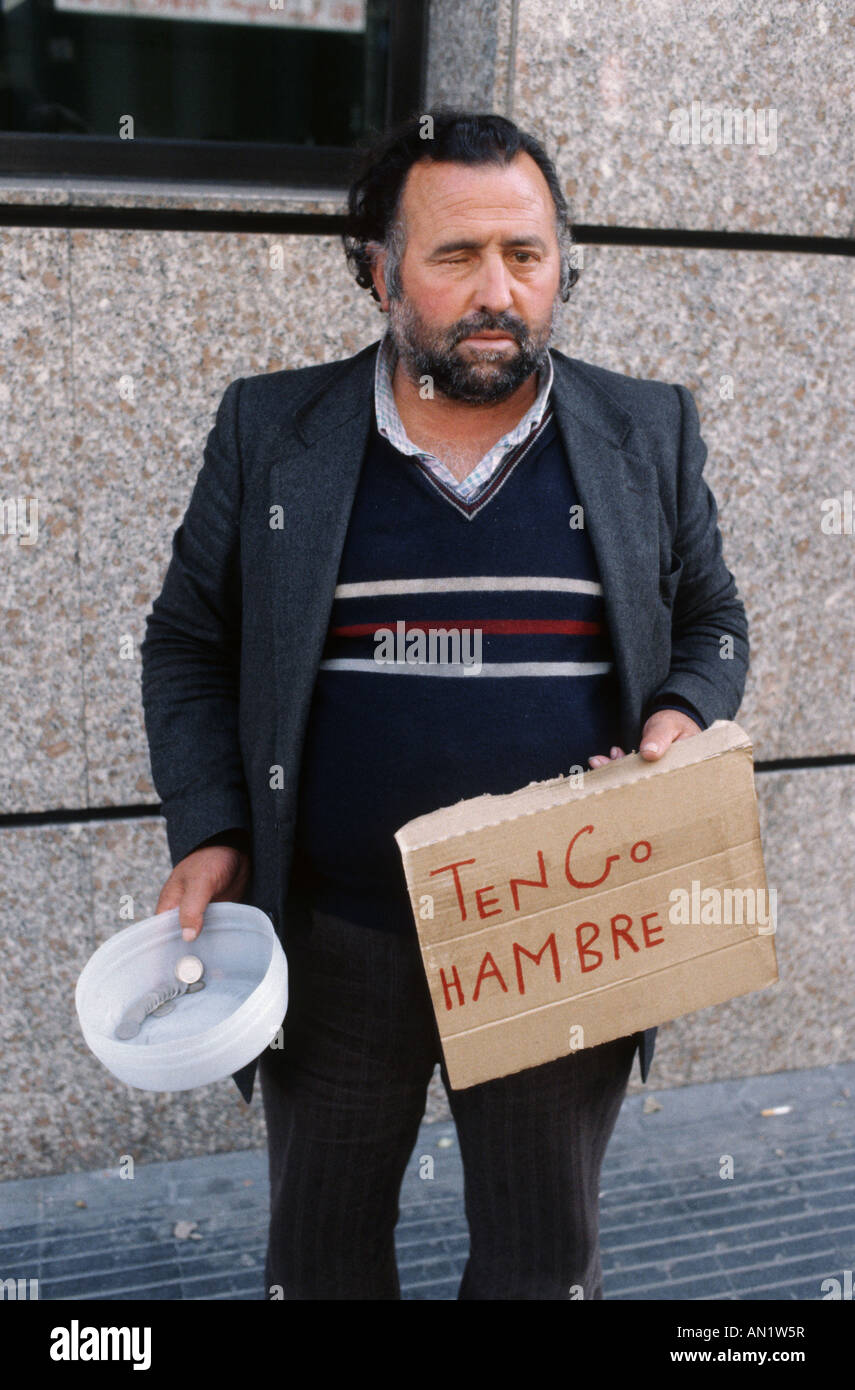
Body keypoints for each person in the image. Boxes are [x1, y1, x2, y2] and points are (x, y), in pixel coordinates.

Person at [141, 109, 749, 1300]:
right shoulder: (274, 431)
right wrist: (211, 831)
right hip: (334, 939)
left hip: (560, 933)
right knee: (319, 1264)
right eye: (455, 255)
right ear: (378, 270)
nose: (498, 292)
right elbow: (186, 641)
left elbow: (713, 620)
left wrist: (681, 713)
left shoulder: (647, 429)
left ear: (562, 266)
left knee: (538, 1267)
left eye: (526, 256)